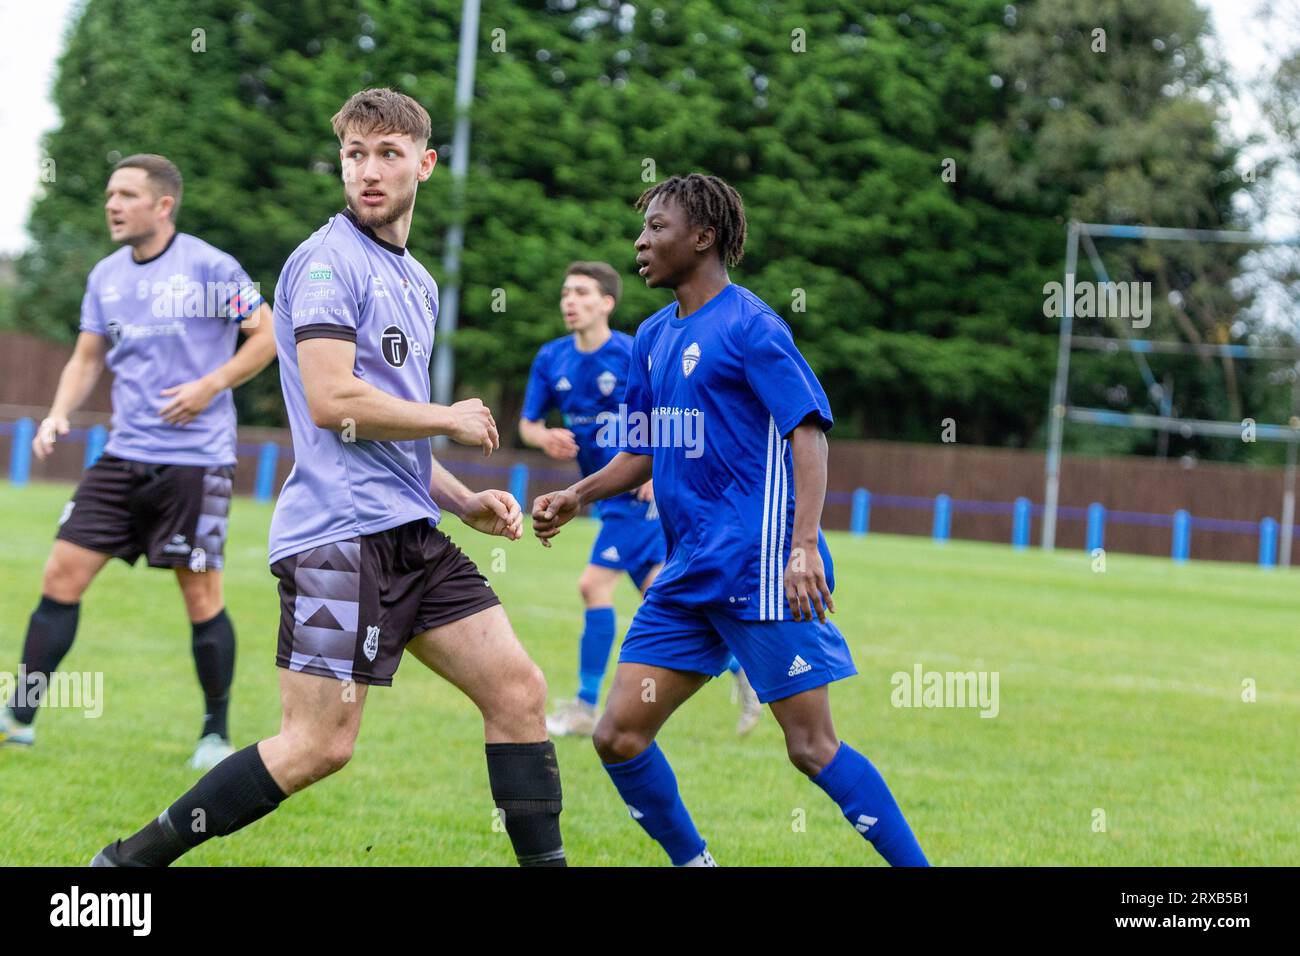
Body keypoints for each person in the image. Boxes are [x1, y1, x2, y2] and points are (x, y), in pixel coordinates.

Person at [92, 88, 566, 867]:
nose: (369, 171)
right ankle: (123, 865)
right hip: (339, 539)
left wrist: (460, 499)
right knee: (317, 745)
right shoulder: (325, 262)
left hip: (410, 533)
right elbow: (332, 402)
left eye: (388, 154)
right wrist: (447, 417)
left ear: (425, 163)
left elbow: (390, 432)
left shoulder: (417, 281)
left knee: (518, 693)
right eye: (355, 154)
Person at [532, 173, 928, 866]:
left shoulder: (751, 325)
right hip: (688, 572)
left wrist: (803, 547)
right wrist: (579, 494)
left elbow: (808, 432)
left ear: (703, 237)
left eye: (656, 227)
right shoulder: (652, 336)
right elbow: (645, 448)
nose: (640, 241)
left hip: (760, 568)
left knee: (811, 747)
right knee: (618, 735)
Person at [0, 154, 276, 770]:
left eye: (126, 194)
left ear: (163, 205)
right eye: (109, 194)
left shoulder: (210, 266)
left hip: (195, 461)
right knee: (60, 577)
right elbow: (86, 357)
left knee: (201, 596)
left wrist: (209, 385)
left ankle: (214, 737)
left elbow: (266, 334)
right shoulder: (106, 275)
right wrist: (58, 412)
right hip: (122, 455)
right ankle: (18, 719)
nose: (113, 205)